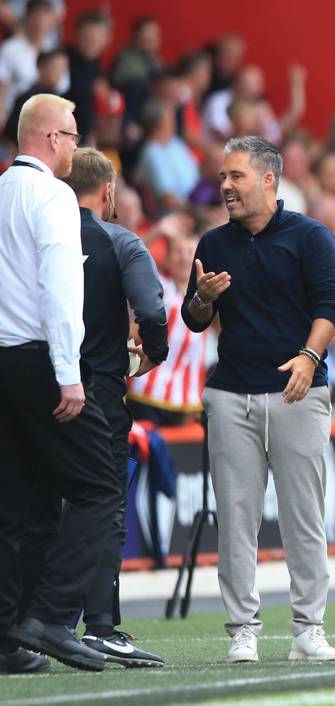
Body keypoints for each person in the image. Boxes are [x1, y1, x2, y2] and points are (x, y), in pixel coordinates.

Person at [182, 135, 335, 664]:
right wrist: (202, 299)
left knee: (304, 518)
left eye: (237, 176)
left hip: (298, 393)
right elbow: (193, 319)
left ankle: (309, 628)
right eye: (223, 177)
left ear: (269, 180)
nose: (226, 186)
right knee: (235, 520)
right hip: (231, 394)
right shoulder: (213, 243)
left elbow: (331, 304)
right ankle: (242, 631)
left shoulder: (311, 236)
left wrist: (309, 357)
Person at [0, 93, 117, 673]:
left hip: (3, 363)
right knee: (100, 485)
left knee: (14, 504)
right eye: (72, 135)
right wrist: (68, 374)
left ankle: (5, 638)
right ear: (51, 139)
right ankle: (49, 615)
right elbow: (60, 289)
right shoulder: (53, 196)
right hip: (40, 362)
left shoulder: (2, 190)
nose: (76, 144)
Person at [51, 147, 167, 665]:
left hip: (32, 388)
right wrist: (153, 353)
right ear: (108, 191)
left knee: (35, 508)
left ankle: (26, 623)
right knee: (103, 504)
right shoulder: (120, 242)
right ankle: (98, 624)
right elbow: (152, 311)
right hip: (96, 392)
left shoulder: (31, 237)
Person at [128, 232, 210, 426]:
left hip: (188, 401)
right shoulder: (158, 288)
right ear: (167, 258)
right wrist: (129, 372)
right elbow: (131, 333)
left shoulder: (207, 295)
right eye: (178, 252)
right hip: (147, 394)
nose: (184, 258)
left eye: (190, 252)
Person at [2, 47, 67, 147]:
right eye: (55, 68)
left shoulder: (60, 100)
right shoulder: (27, 98)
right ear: (40, 67)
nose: (59, 74)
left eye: (62, 69)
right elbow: (12, 133)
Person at [64, 10, 110, 143]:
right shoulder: (63, 60)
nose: (92, 43)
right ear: (77, 35)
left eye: (97, 38)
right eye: (87, 38)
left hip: (89, 135)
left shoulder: (97, 64)